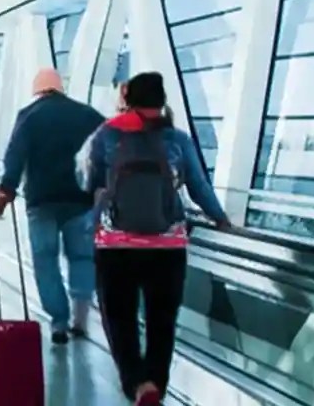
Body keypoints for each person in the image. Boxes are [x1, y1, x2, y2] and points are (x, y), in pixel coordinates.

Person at [88, 72, 230, 406]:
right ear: (162, 101)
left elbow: (91, 187)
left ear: (128, 100)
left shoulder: (107, 136)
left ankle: (138, 386)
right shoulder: (178, 139)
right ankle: (157, 385)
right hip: (168, 248)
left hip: (116, 246)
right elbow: (198, 187)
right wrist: (220, 219)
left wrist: (89, 229)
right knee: (161, 322)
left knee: (119, 318)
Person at [0, 68, 104, 345]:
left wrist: (6, 191)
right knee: (82, 258)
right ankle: (81, 318)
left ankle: (58, 322)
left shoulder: (29, 116)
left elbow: (14, 156)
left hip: (41, 201)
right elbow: (109, 147)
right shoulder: (89, 115)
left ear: (37, 91)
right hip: (81, 200)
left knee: (45, 260)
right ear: (61, 88)